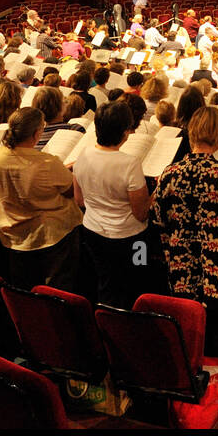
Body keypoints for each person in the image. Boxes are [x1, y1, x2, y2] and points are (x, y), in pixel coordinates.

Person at [151, 106, 218, 399]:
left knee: (191, 330)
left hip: (182, 268)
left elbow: (158, 219)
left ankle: (192, 382)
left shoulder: (169, 173)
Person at [0, 106, 84, 291]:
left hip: (13, 231)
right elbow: (70, 191)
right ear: (36, 133)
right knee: (56, 287)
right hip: (49, 233)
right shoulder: (46, 162)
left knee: (23, 287)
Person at [72, 101, 157, 308]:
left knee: (106, 280)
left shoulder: (82, 156)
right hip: (133, 239)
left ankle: (105, 315)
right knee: (138, 276)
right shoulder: (129, 163)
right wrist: (157, 190)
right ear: (125, 132)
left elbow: (79, 200)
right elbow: (141, 213)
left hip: (93, 233)